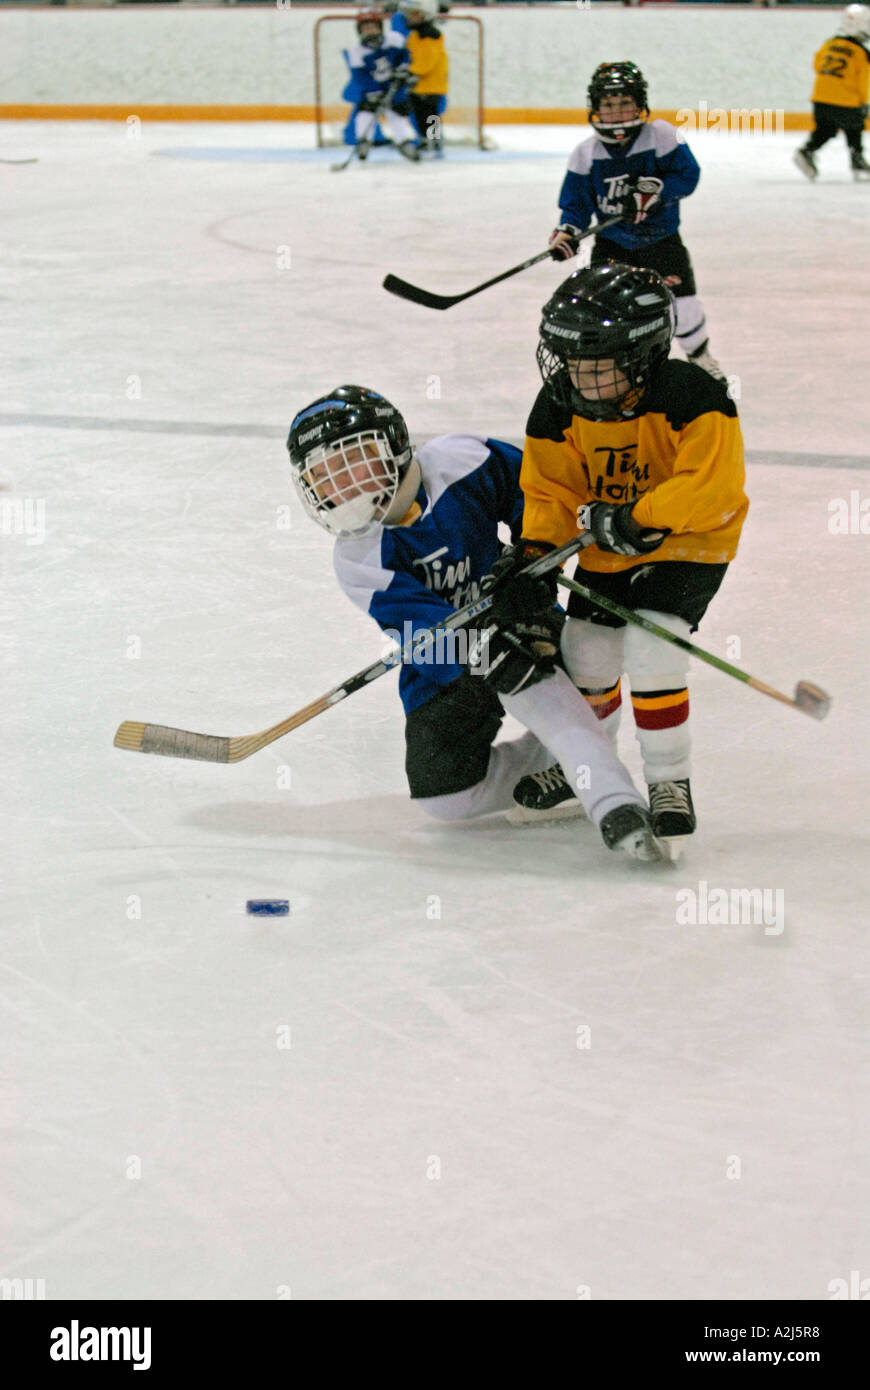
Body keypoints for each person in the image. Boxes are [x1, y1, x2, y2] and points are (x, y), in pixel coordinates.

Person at [286, 385, 671, 861]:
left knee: (550, 674)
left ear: (395, 444)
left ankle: (616, 804)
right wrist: (482, 651)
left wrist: (534, 560)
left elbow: (537, 494)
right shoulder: (358, 558)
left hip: (519, 615)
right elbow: (424, 635)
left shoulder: (460, 459)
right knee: (445, 799)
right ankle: (551, 761)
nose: (339, 486)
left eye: (350, 462)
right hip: (450, 663)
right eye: (322, 477)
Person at [487, 264, 748, 847]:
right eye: (571, 363)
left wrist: (636, 516)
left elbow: (714, 487)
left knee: (654, 648)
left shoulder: (693, 395)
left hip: (692, 541)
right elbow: (552, 492)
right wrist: (535, 553)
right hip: (612, 546)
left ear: (643, 356)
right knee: (586, 653)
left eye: (597, 366)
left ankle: (668, 781)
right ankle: (590, 765)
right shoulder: (559, 406)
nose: (580, 378)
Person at [548, 61, 724, 381]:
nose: (617, 111)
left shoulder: (662, 136)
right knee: (604, 311)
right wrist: (568, 231)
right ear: (596, 107)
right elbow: (576, 204)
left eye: (625, 102)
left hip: (662, 241)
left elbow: (688, 175)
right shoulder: (585, 154)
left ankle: (700, 356)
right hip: (613, 244)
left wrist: (660, 192)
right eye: (609, 104)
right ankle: (618, 370)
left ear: (640, 103)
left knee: (683, 306)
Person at [794, 4, 870, 181]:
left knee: (826, 129)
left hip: (820, 99)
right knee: (855, 128)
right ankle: (857, 158)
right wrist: (864, 103)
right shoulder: (862, 53)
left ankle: (807, 150)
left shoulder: (830, 43)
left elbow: (817, 65)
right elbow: (863, 82)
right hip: (846, 101)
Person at [344, 9, 420, 162]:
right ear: (360, 32)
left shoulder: (394, 39)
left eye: (373, 27)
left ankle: (403, 142)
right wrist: (374, 91)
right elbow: (360, 75)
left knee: (396, 114)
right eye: (365, 29)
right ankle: (363, 141)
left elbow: (404, 56)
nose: (370, 31)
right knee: (365, 113)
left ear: (380, 27)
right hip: (372, 89)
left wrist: (403, 69)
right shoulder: (357, 51)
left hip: (394, 86)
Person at [391, 2, 449, 157]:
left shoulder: (431, 34)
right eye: (410, 14)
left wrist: (412, 71)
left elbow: (428, 60)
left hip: (431, 84)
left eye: (415, 14)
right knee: (419, 114)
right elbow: (411, 55)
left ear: (425, 16)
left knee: (431, 115)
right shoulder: (414, 34)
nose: (411, 17)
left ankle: (435, 141)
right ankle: (424, 140)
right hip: (418, 84)